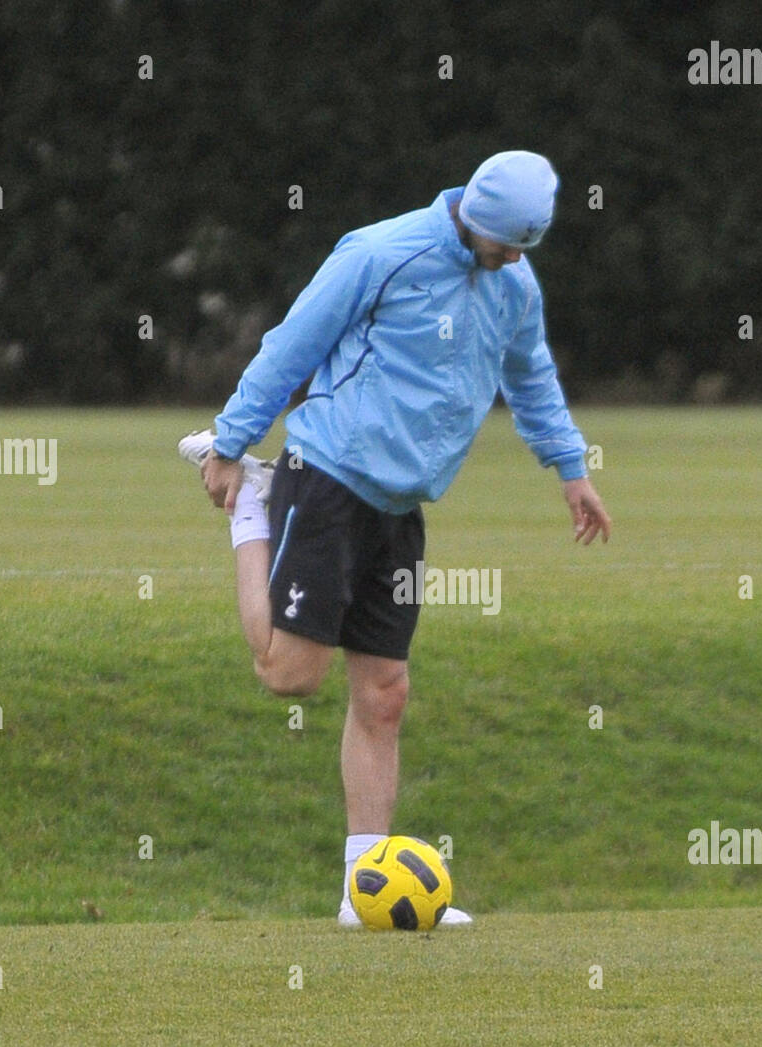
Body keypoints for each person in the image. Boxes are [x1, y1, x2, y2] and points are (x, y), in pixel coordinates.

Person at [179, 150, 611, 927]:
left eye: (527, 247)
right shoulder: (379, 253)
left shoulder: (512, 281)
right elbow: (291, 345)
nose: (515, 259)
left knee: (384, 695)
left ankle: (363, 891)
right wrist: (233, 443)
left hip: (401, 504)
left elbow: (532, 374)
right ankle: (255, 514)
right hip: (330, 478)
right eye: (507, 243)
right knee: (290, 675)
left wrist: (570, 469)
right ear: (475, 220)